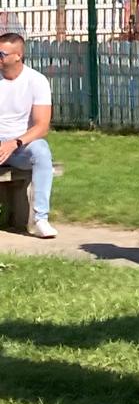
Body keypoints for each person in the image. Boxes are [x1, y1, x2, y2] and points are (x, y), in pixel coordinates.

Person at [0, 17, 57, 238]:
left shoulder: (37, 81)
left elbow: (42, 126)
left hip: (20, 146)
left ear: (18, 56)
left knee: (41, 151)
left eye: (2, 55)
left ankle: (40, 219)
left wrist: (14, 143)